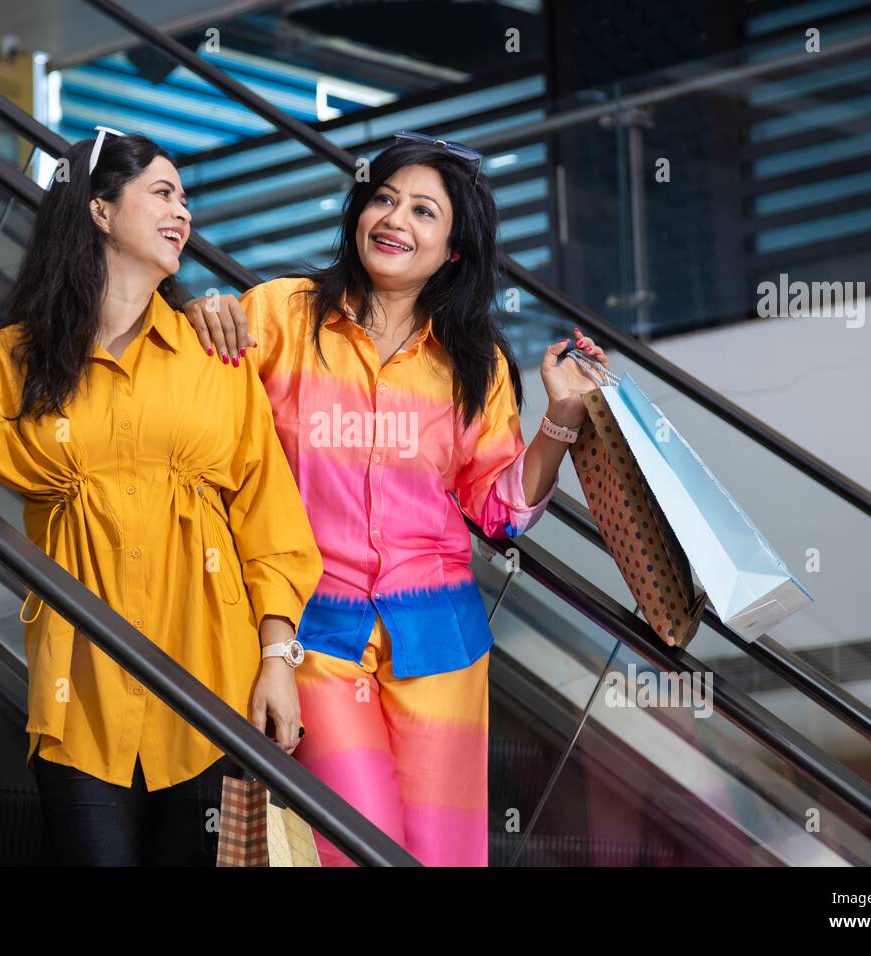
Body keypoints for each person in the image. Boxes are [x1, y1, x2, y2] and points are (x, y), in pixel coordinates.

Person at [0, 129, 322, 866]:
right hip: (82, 705)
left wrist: (278, 661)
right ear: (99, 211)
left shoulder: (214, 357)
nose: (183, 214)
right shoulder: (15, 363)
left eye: (186, 200)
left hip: (216, 696)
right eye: (163, 193)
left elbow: (272, 524)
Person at [182, 134, 610, 866]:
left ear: (453, 251)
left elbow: (501, 510)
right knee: (359, 845)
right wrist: (200, 315)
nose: (395, 217)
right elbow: (195, 411)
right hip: (313, 632)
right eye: (383, 198)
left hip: (439, 638)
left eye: (422, 210)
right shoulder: (282, 315)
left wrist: (561, 416)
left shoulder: (473, 363)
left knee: (443, 858)